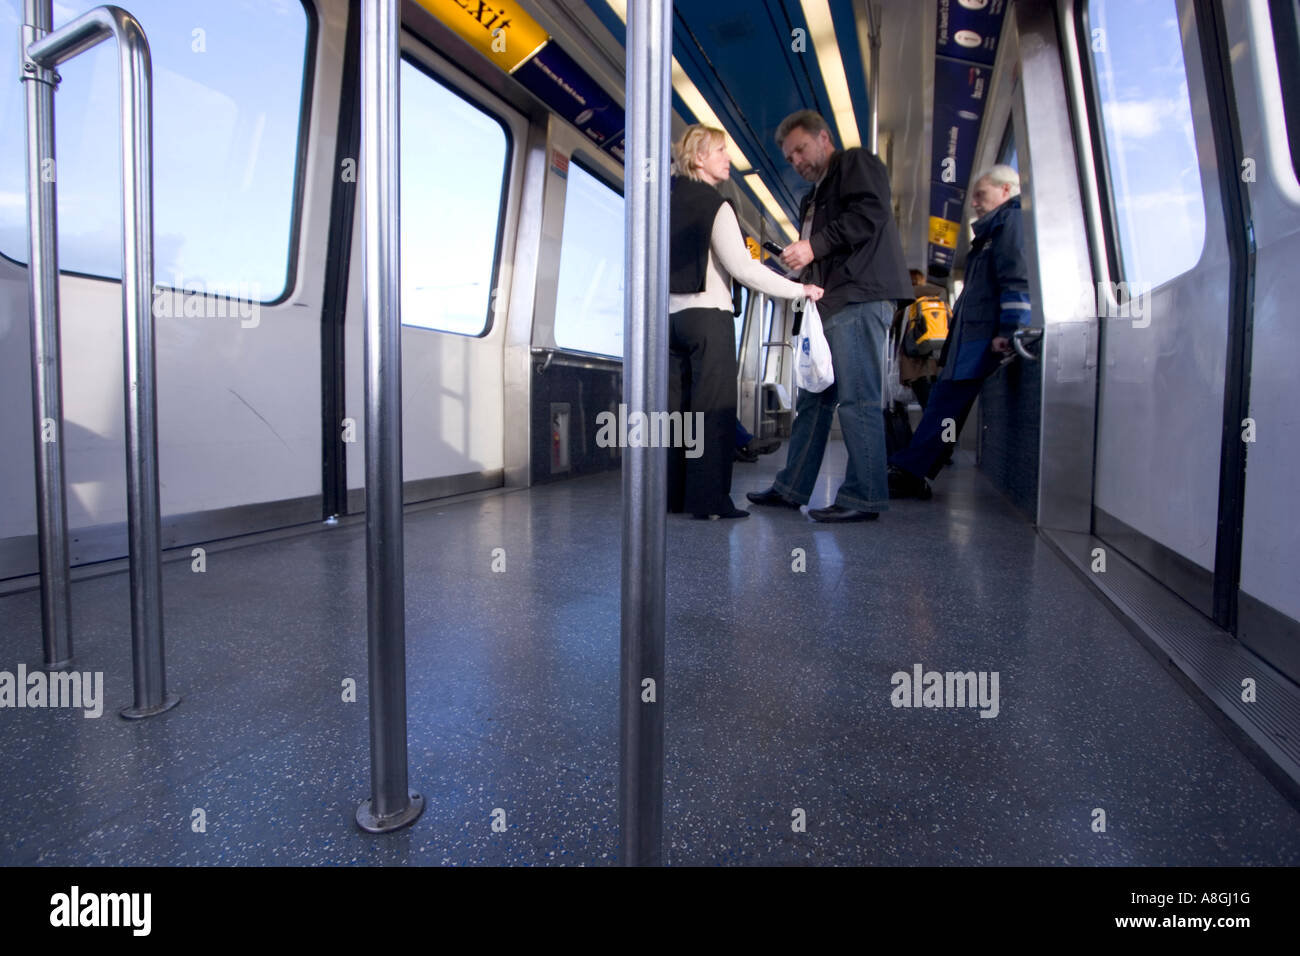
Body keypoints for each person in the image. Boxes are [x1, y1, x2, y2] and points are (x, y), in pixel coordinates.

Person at [746, 110, 913, 522]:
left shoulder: (855, 164)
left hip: (860, 296)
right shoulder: (813, 197)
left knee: (857, 399)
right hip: (831, 303)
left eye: (801, 149)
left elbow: (869, 215)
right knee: (814, 402)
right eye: (789, 158)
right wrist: (800, 263)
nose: (797, 161)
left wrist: (814, 246)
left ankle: (864, 497)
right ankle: (791, 488)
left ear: (824, 138)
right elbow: (825, 246)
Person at [668, 124, 823, 519]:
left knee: (676, 414)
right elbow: (743, 269)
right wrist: (798, 291)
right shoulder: (715, 205)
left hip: (666, 321)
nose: (729, 159)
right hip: (707, 318)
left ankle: (674, 496)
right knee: (713, 413)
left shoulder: (662, 202)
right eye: (721, 151)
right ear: (699, 158)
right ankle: (709, 503)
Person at [888, 165, 1031, 499]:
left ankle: (911, 470)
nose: (976, 204)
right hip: (970, 338)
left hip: (981, 339)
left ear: (1006, 191)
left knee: (945, 402)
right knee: (945, 404)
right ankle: (917, 468)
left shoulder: (1012, 223)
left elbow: (1015, 278)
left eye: (982, 195)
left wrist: (1011, 330)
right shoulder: (993, 232)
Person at [892, 269, 950, 411]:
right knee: (936, 407)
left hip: (914, 366)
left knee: (928, 408)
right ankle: (945, 432)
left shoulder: (905, 302)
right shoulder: (937, 299)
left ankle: (933, 432)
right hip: (938, 363)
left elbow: (891, 325)